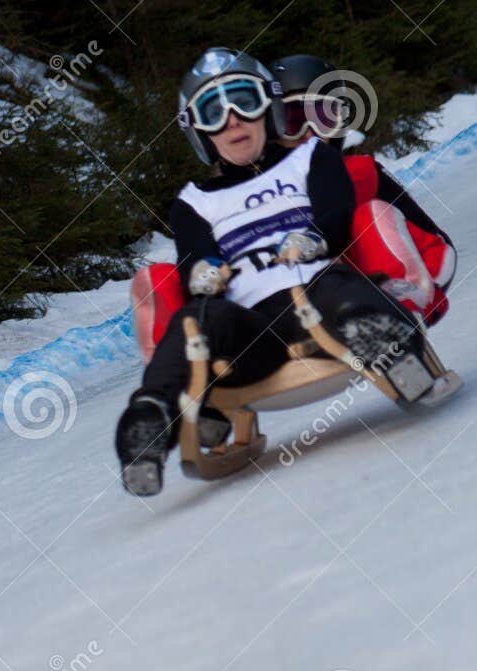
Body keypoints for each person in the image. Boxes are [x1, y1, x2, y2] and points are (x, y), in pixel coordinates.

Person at [117, 48, 421, 498]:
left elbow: (336, 209)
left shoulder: (310, 159)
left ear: (269, 107)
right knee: (197, 320)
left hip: (316, 288)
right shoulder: (194, 201)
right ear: (200, 130)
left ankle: (386, 342)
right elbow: (193, 254)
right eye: (214, 111)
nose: (234, 120)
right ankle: (152, 416)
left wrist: (316, 237)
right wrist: (201, 271)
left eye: (244, 101)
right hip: (252, 331)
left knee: (335, 288)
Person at [271, 54, 456, 324]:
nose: (309, 133)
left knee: (370, 214)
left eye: (322, 117)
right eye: (293, 121)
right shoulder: (257, 194)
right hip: (304, 308)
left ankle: (398, 311)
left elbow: (438, 247)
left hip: (396, 284)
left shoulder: (359, 173)